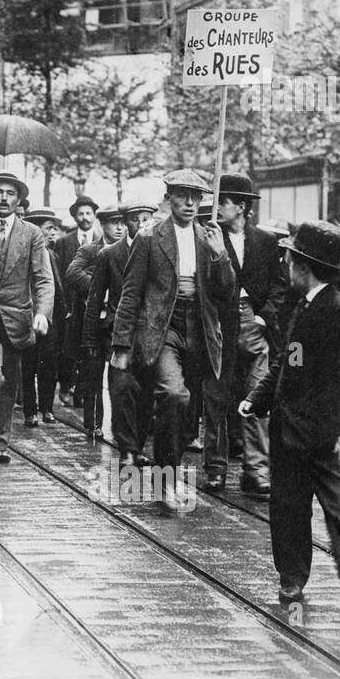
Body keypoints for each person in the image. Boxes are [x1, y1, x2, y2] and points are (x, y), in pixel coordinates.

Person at [241, 220, 340, 627]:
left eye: (289, 258)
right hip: (289, 433)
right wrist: (258, 398)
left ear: (303, 266)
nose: (284, 263)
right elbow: (290, 361)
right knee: (287, 511)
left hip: (323, 436)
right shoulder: (302, 305)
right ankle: (291, 582)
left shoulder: (338, 311)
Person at [110, 170, 234, 511]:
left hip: (201, 330)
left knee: (186, 412)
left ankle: (170, 472)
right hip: (162, 328)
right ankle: (165, 483)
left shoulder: (208, 236)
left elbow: (226, 290)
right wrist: (121, 344)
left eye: (197, 197)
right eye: (183, 195)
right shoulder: (150, 237)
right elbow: (131, 293)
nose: (191, 203)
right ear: (170, 198)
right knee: (174, 395)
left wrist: (219, 254)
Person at [202, 172, 286, 497]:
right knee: (217, 399)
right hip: (220, 324)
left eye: (222, 201)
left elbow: (280, 283)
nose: (217, 206)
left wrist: (266, 316)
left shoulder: (265, 241)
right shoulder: (209, 236)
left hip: (254, 324)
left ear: (241, 206)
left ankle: (256, 472)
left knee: (256, 396)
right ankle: (216, 469)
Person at [0, 171, 54, 469]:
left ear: (19, 200)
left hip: (17, 320)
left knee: (10, 385)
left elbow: (43, 278)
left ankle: (1, 442)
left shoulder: (31, 234)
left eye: (10, 193)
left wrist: (42, 312)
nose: (4, 198)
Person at [84, 197, 156, 466]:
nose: (140, 224)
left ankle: (136, 445)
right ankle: (127, 448)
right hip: (115, 332)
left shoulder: (158, 250)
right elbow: (94, 298)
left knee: (145, 391)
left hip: (149, 331)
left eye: (145, 218)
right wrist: (89, 339)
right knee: (121, 387)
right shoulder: (109, 254)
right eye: (134, 219)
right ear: (125, 223)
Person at [64, 203, 124, 440]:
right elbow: (72, 273)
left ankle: (120, 428)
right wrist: (100, 287)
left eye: (122, 222)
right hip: (93, 321)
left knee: (120, 375)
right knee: (93, 373)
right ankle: (93, 424)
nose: (119, 228)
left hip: (118, 320)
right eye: (113, 223)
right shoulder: (90, 250)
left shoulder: (132, 249)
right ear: (103, 225)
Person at [19, 209, 65, 425]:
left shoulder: (53, 255)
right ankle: (30, 411)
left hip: (51, 318)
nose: (52, 233)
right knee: (28, 366)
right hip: (27, 316)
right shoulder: (23, 253)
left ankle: (47, 409)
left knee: (49, 364)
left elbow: (58, 287)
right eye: (48, 228)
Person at [54, 194, 100, 409]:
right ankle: (66, 386)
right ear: (75, 216)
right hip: (70, 305)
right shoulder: (64, 242)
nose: (85, 218)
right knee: (68, 349)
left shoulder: (102, 240)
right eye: (80, 214)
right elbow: (61, 274)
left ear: (94, 215)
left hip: (94, 305)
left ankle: (82, 392)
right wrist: (65, 305)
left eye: (88, 213)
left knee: (89, 350)